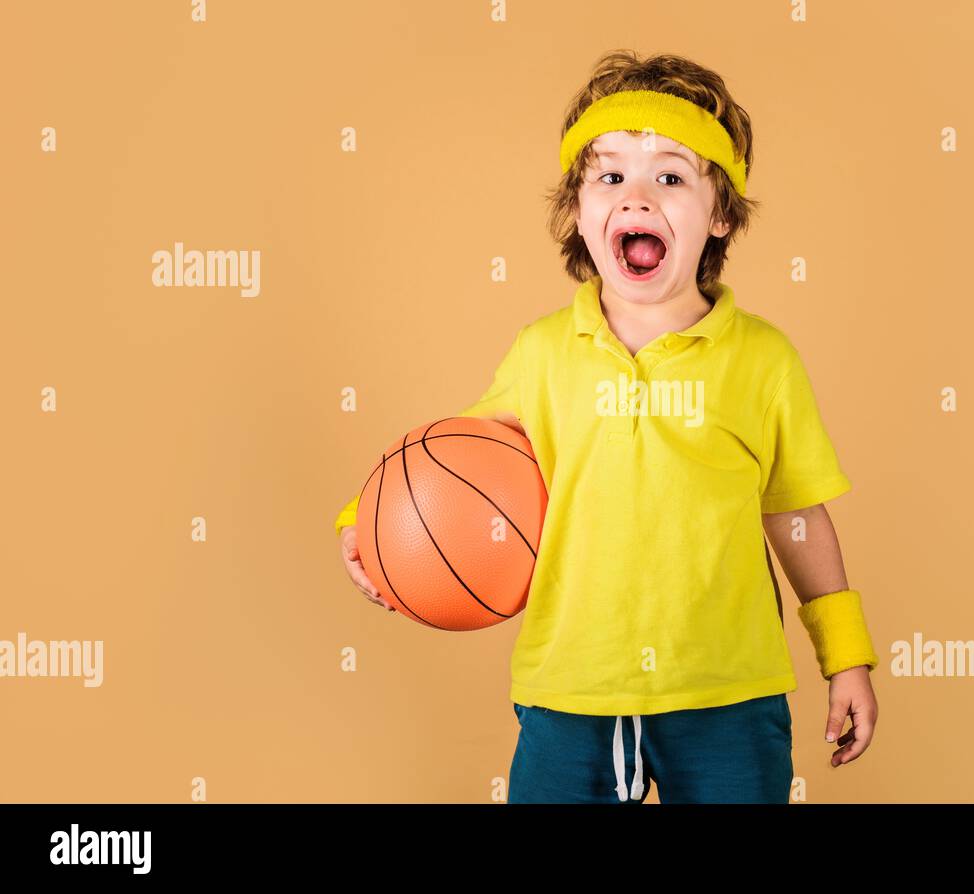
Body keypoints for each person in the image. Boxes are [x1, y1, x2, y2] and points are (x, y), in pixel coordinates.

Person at [335, 50, 881, 803]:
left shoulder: (764, 361)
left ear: (721, 213)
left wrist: (844, 655)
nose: (638, 196)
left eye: (671, 176)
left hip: (728, 690)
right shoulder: (541, 354)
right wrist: (366, 523)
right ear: (580, 210)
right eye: (610, 175)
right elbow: (447, 462)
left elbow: (795, 513)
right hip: (571, 687)